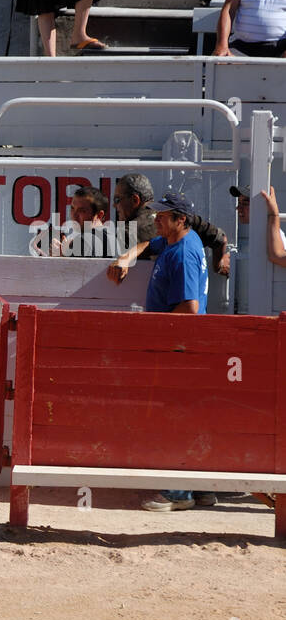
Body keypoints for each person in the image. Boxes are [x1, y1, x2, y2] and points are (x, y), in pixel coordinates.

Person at [106, 192, 211, 512]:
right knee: (182, 414)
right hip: (180, 347)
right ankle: (200, 488)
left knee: (172, 415)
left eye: (163, 216)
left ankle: (178, 493)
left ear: (181, 220)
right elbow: (149, 245)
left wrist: (152, 328)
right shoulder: (179, 241)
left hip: (177, 347)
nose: (156, 219)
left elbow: (190, 308)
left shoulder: (182, 254)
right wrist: (127, 256)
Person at [113, 174, 232, 276]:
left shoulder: (126, 232)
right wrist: (218, 266)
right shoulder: (182, 218)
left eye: (118, 200)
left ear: (135, 200)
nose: (114, 205)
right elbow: (220, 238)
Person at [39, 185, 117, 257]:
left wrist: (61, 257)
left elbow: (68, 271)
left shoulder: (82, 241)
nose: (74, 215)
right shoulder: (113, 238)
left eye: (82, 211)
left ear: (99, 215)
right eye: (72, 208)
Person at [230, 184, 286, 266]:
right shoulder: (260, 232)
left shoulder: (274, 236)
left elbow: (277, 256)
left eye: (245, 203)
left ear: (264, 205)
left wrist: (274, 214)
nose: (238, 208)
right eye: (239, 202)